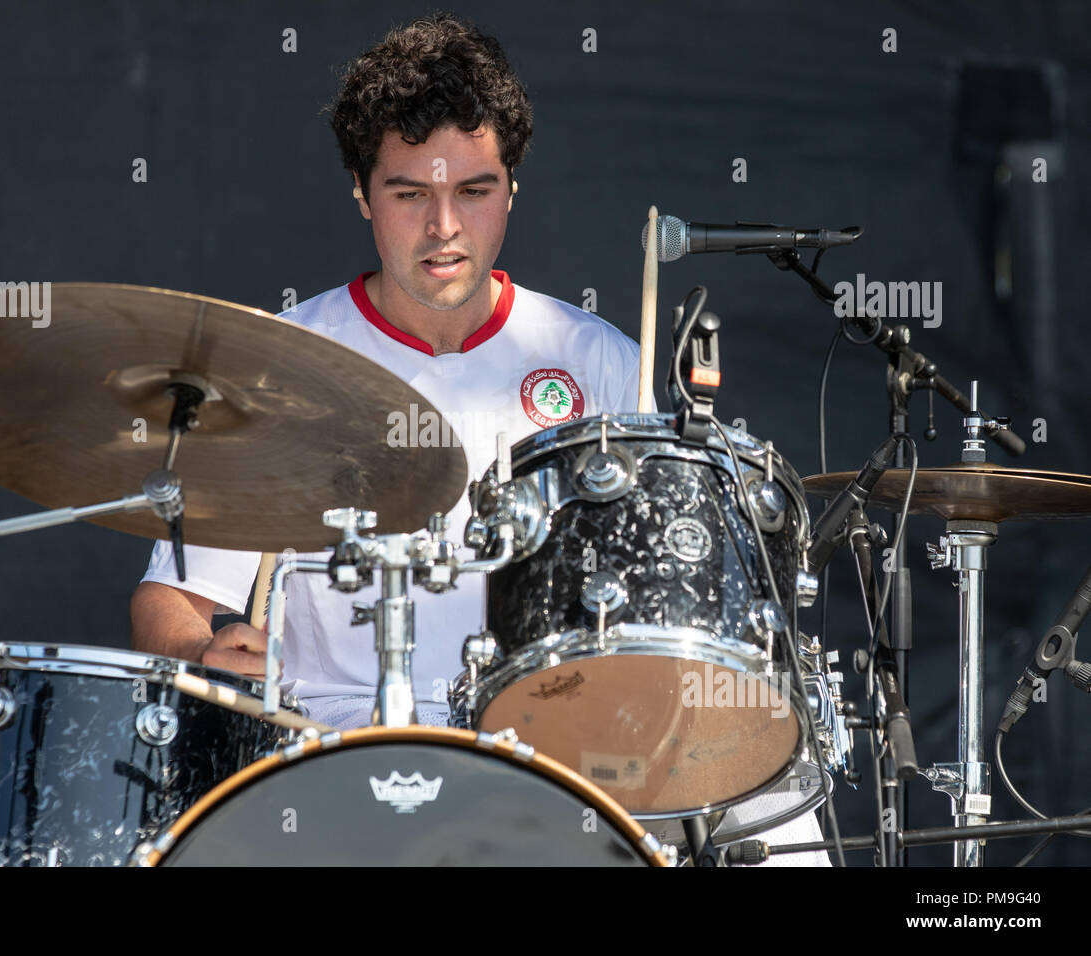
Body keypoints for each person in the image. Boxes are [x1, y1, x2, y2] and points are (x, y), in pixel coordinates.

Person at [130, 12, 829, 865]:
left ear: (511, 189)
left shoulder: (601, 364)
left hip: (552, 764)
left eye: (473, 190)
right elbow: (170, 600)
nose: (444, 229)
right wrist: (204, 649)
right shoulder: (276, 366)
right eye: (409, 194)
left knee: (776, 799)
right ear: (360, 193)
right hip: (329, 758)